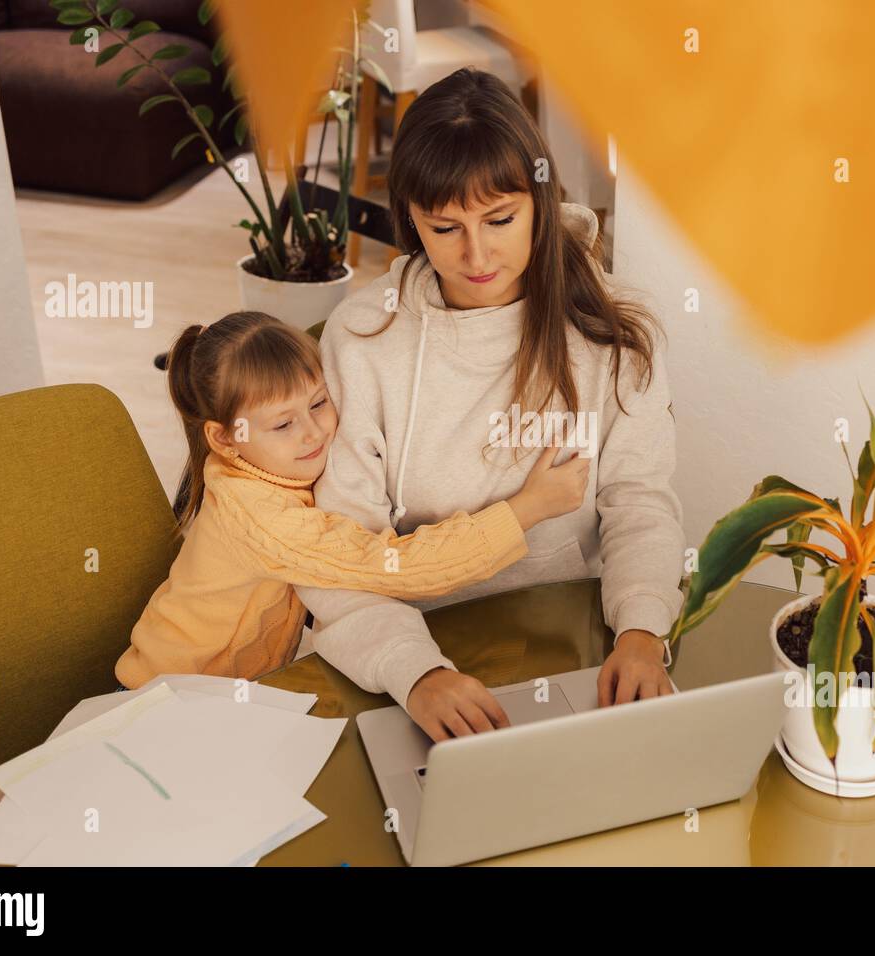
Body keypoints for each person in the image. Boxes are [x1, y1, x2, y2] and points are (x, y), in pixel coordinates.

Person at [297, 68, 686, 741]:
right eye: (445, 228)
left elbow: (640, 503)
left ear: (538, 200)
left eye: (500, 220)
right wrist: (416, 672)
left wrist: (644, 630)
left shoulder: (613, 334)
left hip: (575, 644)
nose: (477, 255)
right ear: (412, 221)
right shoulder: (361, 342)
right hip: (405, 661)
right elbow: (336, 552)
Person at [115, 311, 589, 689]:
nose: (314, 431)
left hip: (223, 697)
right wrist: (529, 508)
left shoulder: (264, 470)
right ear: (224, 439)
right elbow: (399, 568)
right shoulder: (261, 519)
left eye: (319, 403)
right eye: (283, 424)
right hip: (161, 704)